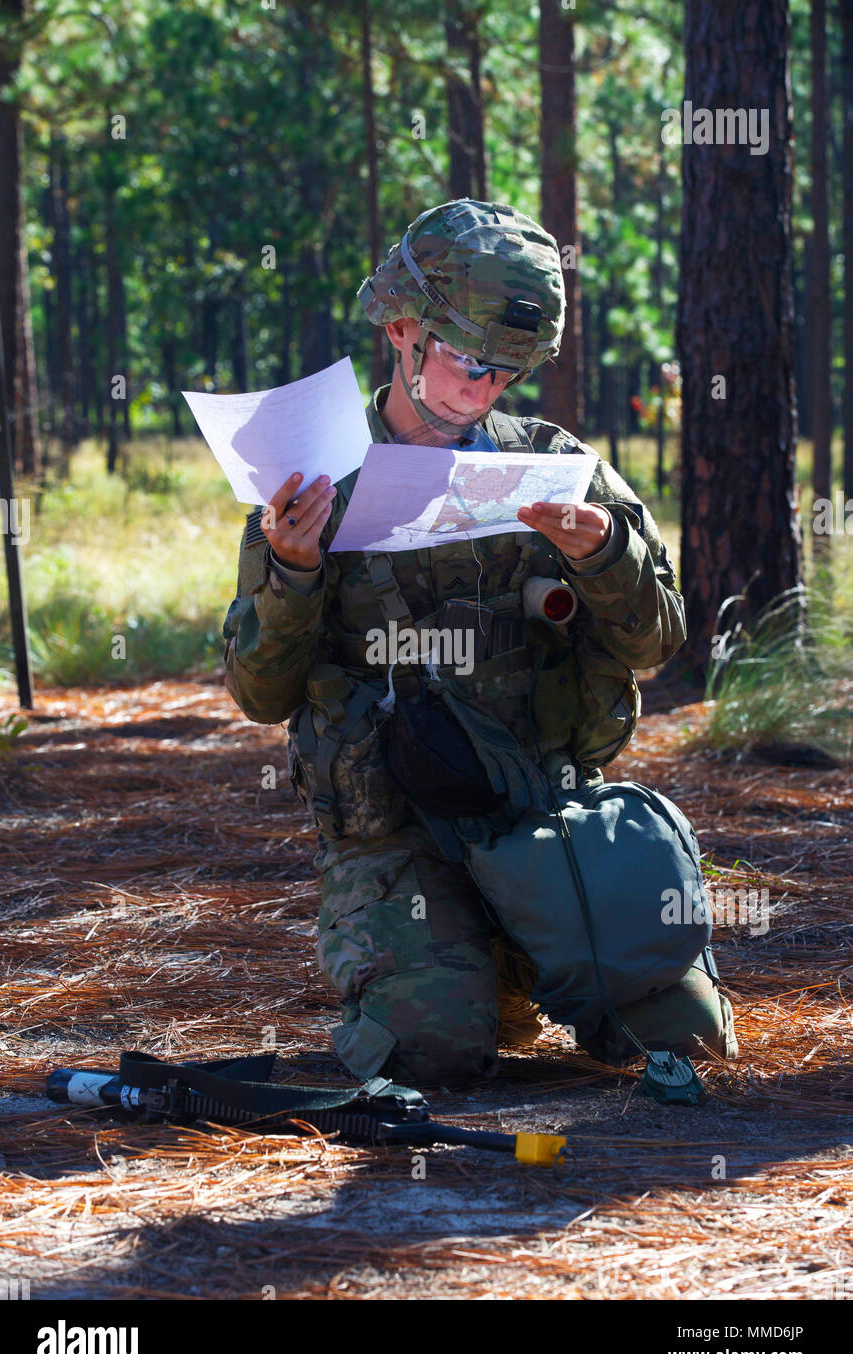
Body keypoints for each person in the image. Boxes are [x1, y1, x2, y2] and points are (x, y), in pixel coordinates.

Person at [222, 198, 738, 1087]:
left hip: (545, 820)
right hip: (400, 834)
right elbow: (261, 696)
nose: (488, 389)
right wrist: (293, 569)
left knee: (684, 1035)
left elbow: (657, 643)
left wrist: (601, 552)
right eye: (470, 361)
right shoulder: (311, 482)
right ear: (401, 328)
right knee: (432, 1055)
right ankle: (470, 969)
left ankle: (514, 960)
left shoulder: (552, 463)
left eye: (511, 370)